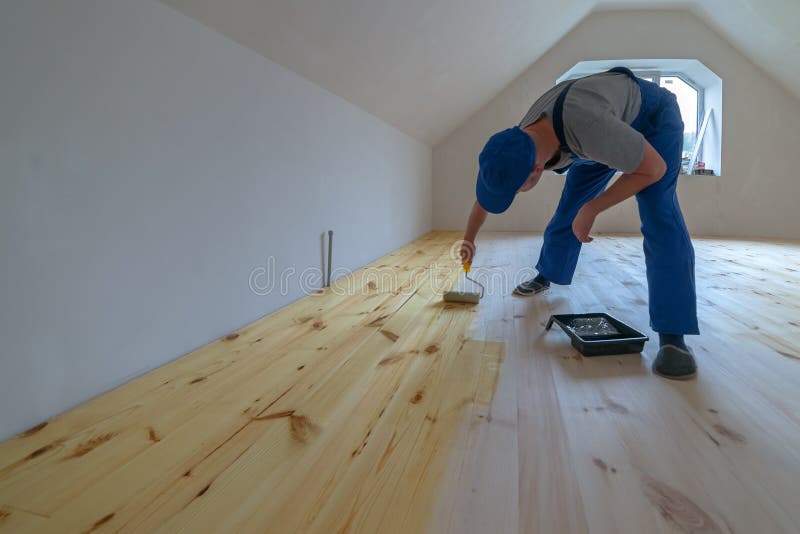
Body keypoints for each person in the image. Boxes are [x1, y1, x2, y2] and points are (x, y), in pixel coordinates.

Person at [460, 67, 699, 380]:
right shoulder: (517, 141)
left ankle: (673, 336)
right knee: (569, 205)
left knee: (659, 212)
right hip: (589, 134)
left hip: (651, 120)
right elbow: (488, 195)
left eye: (517, 191)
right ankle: (548, 272)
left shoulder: (591, 128)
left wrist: (594, 208)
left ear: (535, 171)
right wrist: (469, 239)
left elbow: (652, 169)